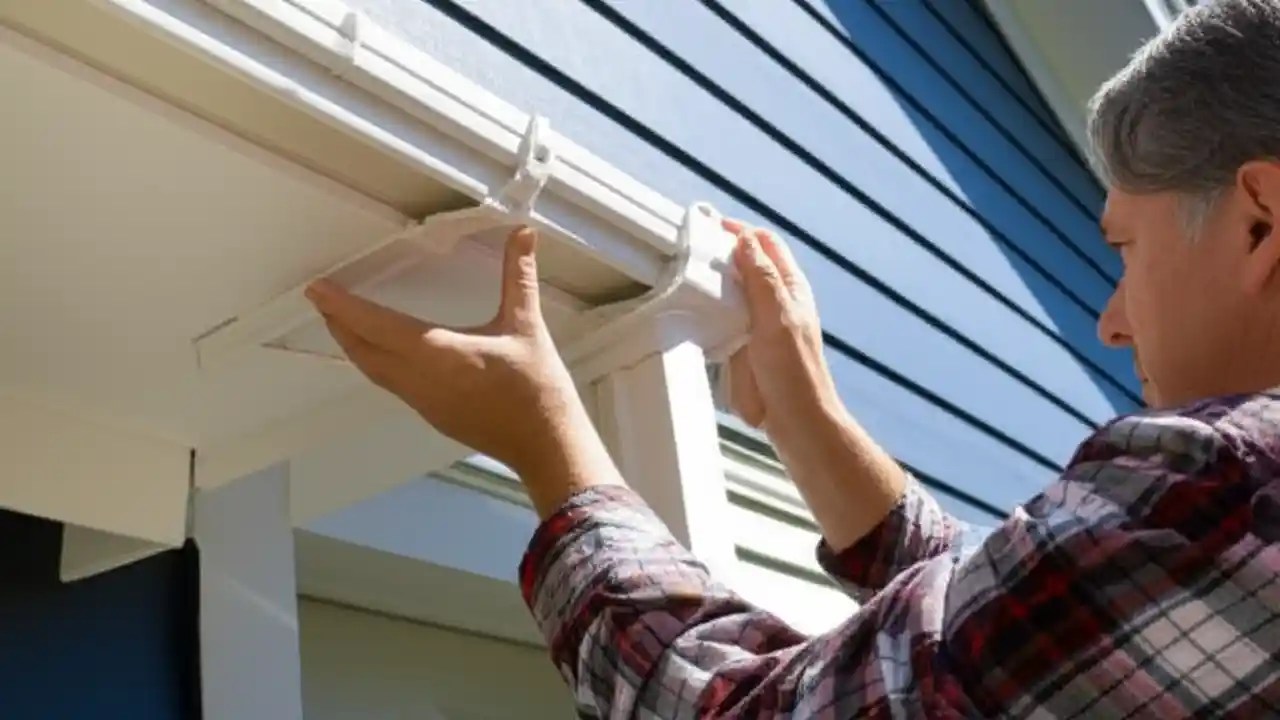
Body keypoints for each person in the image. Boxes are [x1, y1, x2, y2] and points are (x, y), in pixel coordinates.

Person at [304, 0, 1280, 716]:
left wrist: (550, 449)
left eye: (1124, 249)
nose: (1109, 320)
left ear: (1256, 223)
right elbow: (1023, 635)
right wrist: (808, 423)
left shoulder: (1228, 484)